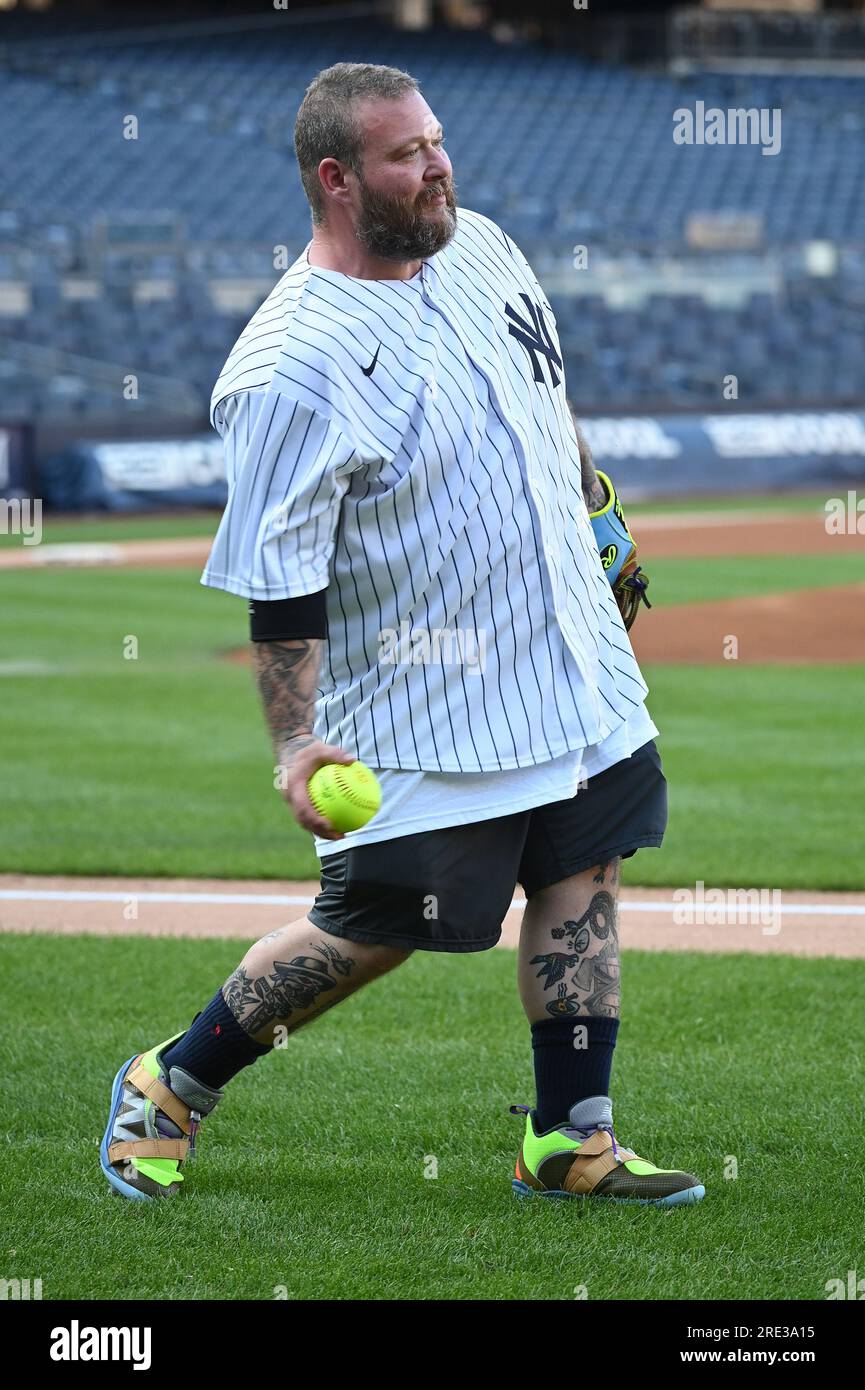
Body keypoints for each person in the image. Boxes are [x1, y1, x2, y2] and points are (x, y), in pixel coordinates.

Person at [100, 62, 704, 1208]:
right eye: (405, 153)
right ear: (336, 179)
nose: (437, 165)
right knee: (373, 930)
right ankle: (172, 1078)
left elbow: (544, 397)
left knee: (585, 871)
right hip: (425, 707)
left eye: (436, 140)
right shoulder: (289, 368)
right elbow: (278, 584)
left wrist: (606, 524)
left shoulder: (483, 247)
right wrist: (295, 746)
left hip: (571, 659)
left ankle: (569, 1139)